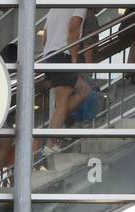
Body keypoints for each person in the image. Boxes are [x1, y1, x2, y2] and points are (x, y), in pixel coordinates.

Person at [37, 9, 87, 159]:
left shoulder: (55, 7)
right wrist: (73, 57)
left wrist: (49, 51)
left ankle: (53, 131)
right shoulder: (79, 3)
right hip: (63, 54)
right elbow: (73, 27)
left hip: (50, 55)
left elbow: (45, 35)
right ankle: (51, 143)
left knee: (82, 91)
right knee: (64, 101)